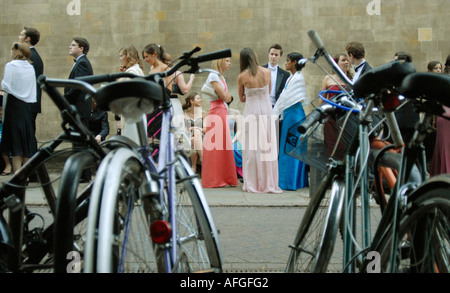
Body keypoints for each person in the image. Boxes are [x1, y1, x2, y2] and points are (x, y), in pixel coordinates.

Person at [238, 48, 281, 194]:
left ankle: (253, 183)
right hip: (267, 110)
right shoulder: (267, 72)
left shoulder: (242, 77)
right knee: (267, 146)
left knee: (252, 148)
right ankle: (269, 182)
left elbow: (241, 98)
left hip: (251, 111)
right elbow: (268, 93)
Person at [273, 52, 309, 190]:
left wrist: (275, 112)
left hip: (294, 114)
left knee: (291, 147)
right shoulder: (291, 77)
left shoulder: (298, 78)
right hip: (289, 114)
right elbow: (283, 98)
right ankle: (290, 180)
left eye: (287, 60)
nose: (285, 63)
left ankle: (289, 182)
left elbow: (286, 99)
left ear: (294, 62)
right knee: (288, 147)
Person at [0, 42, 37, 173]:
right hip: (26, 106)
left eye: (12, 50)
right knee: (25, 142)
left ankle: (17, 176)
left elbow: (6, 85)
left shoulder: (11, 65)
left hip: (14, 106)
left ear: (17, 52)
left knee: (16, 143)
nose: (11, 52)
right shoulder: (30, 67)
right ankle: (25, 176)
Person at [201, 57, 238, 188]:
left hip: (221, 110)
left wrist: (228, 97)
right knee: (215, 146)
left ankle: (224, 177)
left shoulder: (221, 77)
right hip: (216, 111)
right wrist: (227, 96)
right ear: (220, 61)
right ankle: (214, 179)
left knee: (222, 145)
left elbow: (228, 97)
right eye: (227, 61)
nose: (229, 63)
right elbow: (225, 97)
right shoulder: (213, 75)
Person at [64, 37, 93, 127]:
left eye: (73, 45)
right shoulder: (80, 62)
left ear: (81, 49)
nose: (70, 47)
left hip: (79, 110)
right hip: (77, 110)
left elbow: (77, 87)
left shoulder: (82, 63)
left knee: (79, 140)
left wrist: (64, 99)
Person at [430, 59, 450, 176]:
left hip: (442, 116)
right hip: (444, 116)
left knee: (443, 148)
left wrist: (434, 119)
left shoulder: (441, 79)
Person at [182, 92, 206, 173]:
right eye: (198, 98)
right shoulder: (184, 114)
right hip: (188, 136)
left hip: (201, 136)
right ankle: (203, 159)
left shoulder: (203, 113)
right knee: (193, 138)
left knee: (195, 136)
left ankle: (194, 166)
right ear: (191, 101)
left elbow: (206, 129)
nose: (201, 100)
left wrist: (196, 128)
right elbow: (183, 129)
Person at [226, 97, 243, 179]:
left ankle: (235, 172)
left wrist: (233, 140)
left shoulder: (235, 112)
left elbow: (239, 130)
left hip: (232, 137)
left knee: (232, 149)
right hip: (219, 139)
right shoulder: (217, 112)